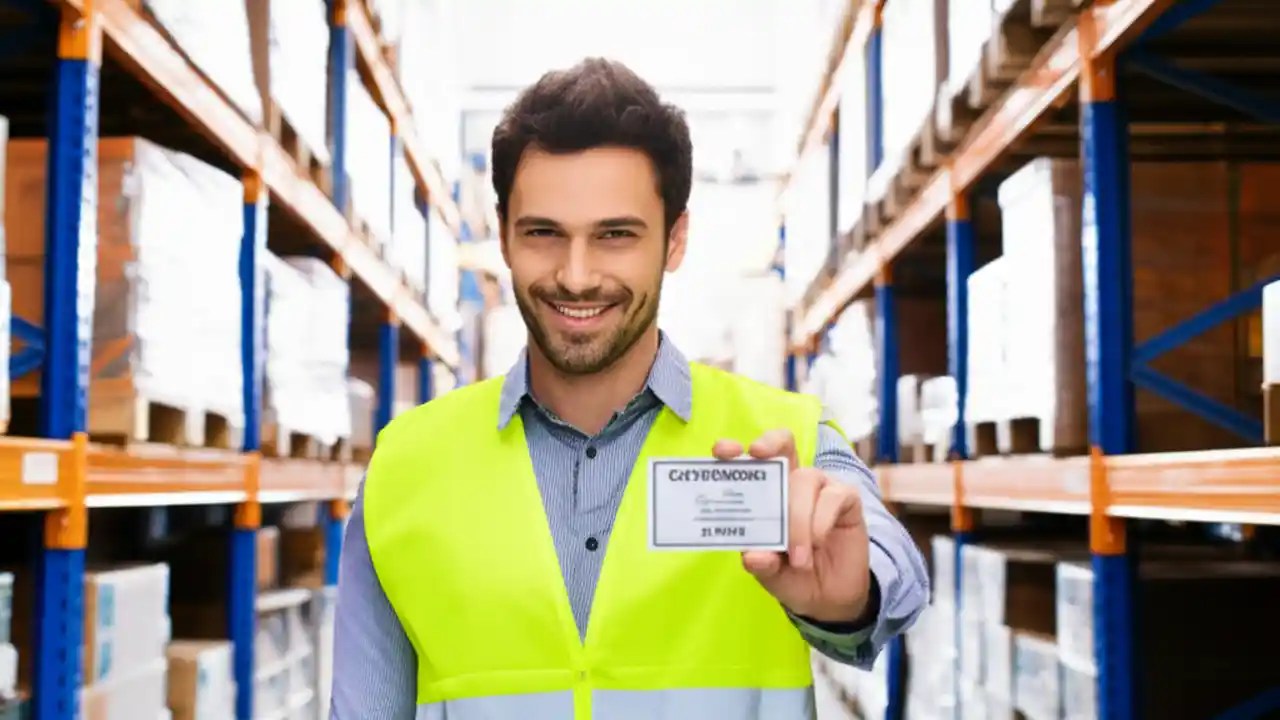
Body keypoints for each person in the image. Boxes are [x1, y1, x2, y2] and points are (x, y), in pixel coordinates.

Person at [330, 57, 929, 720]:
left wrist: (848, 599)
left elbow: (892, 567)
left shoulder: (783, 440)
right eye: (543, 234)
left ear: (675, 240)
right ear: (503, 236)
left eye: (615, 235)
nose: (577, 275)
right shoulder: (406, 467)